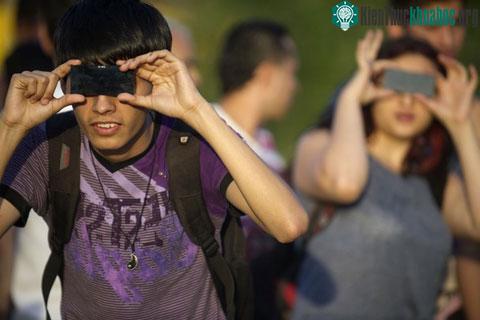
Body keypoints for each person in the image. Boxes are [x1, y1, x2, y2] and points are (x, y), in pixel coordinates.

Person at [0, 1, 308, 319]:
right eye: (86, 85)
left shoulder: (192, 144)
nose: (102, 106)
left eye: (118, 84)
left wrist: (196, 110)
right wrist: (10, 128)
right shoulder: (51, 146)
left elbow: (288, 224)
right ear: (65, 83)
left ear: (152, 78)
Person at [292, 30, 479, 319]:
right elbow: (343, 184)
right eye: (396, 83)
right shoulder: (319, 145)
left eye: (422, 87)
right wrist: (351, 98)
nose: (407, 101)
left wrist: (461, 126)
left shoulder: (436, 184)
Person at [387, 1, 480, 318]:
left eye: (456, 25)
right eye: (432, 27)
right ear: (397, 27)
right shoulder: (356, 103)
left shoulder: (469, 111)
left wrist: (463, 127)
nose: (448, 40)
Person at [214, 19, 298, 320]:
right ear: (265, 74)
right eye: (291, 73)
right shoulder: (201, 136)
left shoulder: (271, 154)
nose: (295, 85)